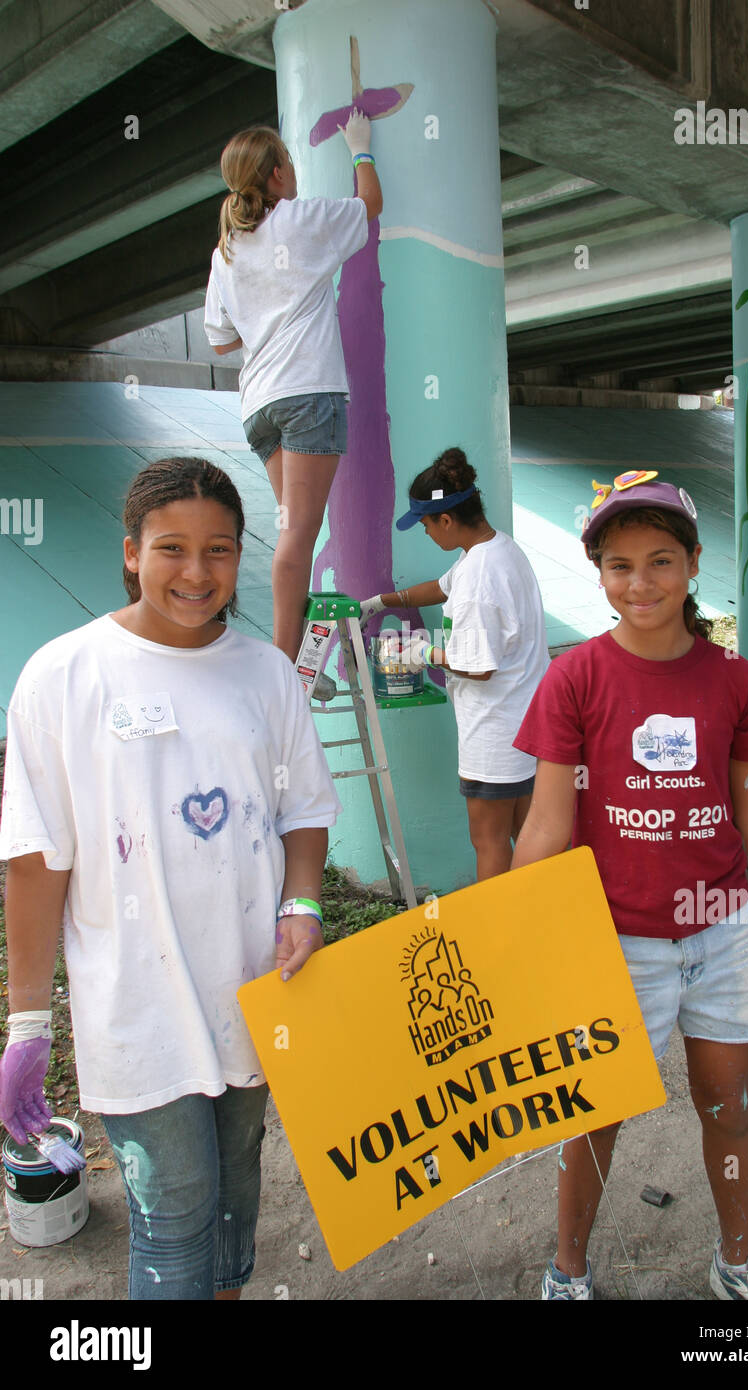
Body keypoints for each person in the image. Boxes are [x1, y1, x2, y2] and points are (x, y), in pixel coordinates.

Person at [0, 457, 340, 1301]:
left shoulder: (266, 672)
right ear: (130, 551)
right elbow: (38, 861)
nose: (198, 572)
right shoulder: (62, 674)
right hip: (136, 1008)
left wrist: (302, 903)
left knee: (235, 1197)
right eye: (173, 548)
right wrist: (29, 1025)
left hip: (255, 990)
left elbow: (304, 810)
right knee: (175, 1210)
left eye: (220, 550)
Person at [511, 472, 748, 1301]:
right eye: (619, 565)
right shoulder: (574, 678)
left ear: (694, 563)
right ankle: (568, 1271)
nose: (640, 582)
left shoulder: (734, 681)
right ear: (599, 575)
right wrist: (508, 942)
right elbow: (546, 825)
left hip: (722, 934)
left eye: (660, 560)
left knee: (728, 1105)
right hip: (611, 938)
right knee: (593, 1117)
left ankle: (736, 1261)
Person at [204, 113, 382, 670]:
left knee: (291, 527)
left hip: (260, 402)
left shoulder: (227, 250)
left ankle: (290, 643)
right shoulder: (300, 220)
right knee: (300, 533)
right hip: (307, 390)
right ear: (278, 172)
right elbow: (369, 206)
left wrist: (265, 315)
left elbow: (220, 341)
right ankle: (284, 662)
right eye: (291, 164)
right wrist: (360, 151)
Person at [361, 448, 550, 880]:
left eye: (426, 524)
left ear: (446, 519)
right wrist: (383, 602)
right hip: (526, 724)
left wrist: (420, 652)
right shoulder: (495, 551)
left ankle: (494, 936)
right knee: (529, 836)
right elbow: (444, 587)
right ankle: (544, 926)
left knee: (488, 843)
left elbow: (478, 666)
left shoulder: (480, 579)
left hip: (494, 733)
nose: (425, 534)